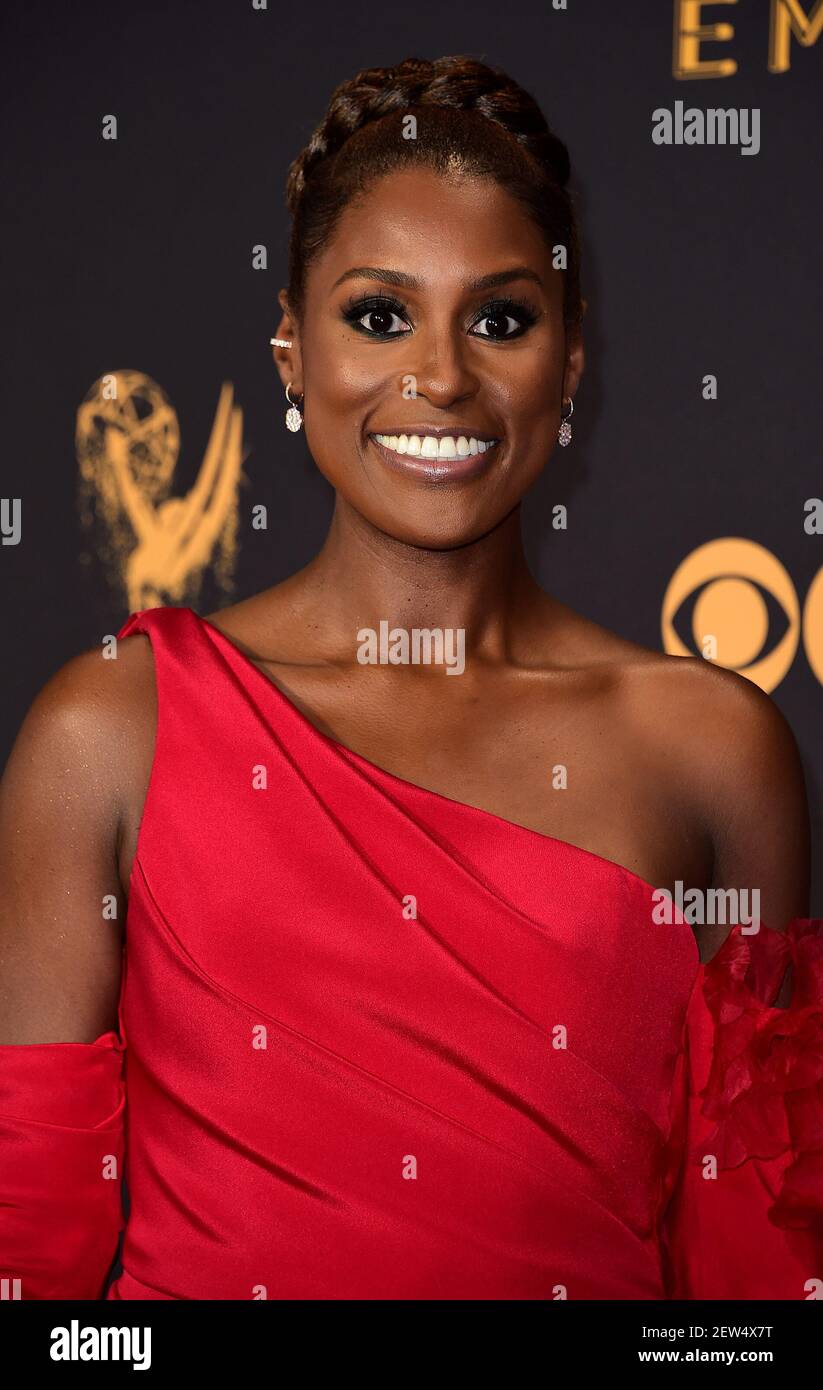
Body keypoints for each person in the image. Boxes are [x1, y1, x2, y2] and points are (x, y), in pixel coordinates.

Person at [1, 55, 820, 1301]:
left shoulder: (712, 747)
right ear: (288, 345)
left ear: (572, 360)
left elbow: (748, 1276)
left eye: (500, 317)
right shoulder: (115, 723)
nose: (439, 376)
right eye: (379, 314)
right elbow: (26, 1260)